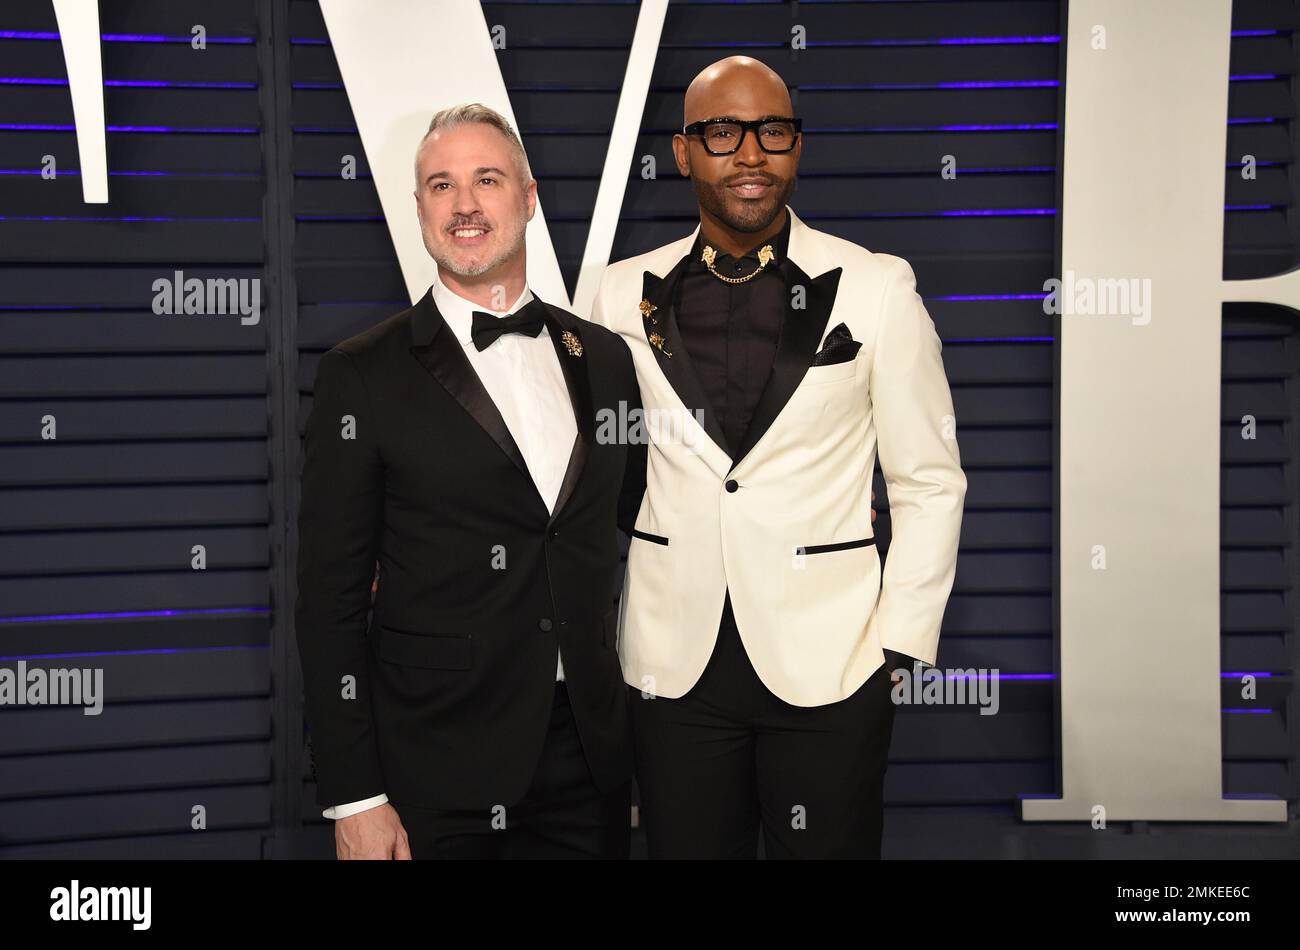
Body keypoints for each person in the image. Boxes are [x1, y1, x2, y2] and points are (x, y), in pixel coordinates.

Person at [592, 56, 967, 859]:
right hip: (670, 661)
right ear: (684, 151)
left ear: (797, 147)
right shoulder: (615, 295)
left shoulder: (877, 288)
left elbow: (928, 479)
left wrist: (896, 644)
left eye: (774, 131)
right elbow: (591, 468)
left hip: (832, 661)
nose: (752, 153)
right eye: (723, 132)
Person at [294, 103, 640, 859]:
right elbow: (330, 600)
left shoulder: (606, 360)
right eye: (441, 186)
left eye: (487, 179)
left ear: (528, 196)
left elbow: (641, 522)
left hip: (590, 763)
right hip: (433, 770)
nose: (465, 204)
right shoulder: (361, 374)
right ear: (419, 209)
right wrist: (355, 797)